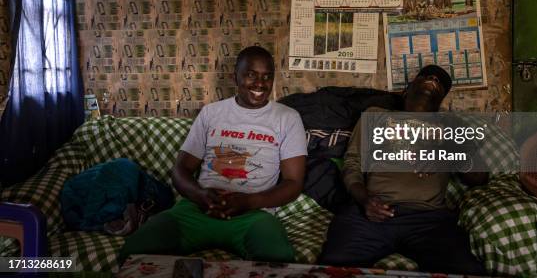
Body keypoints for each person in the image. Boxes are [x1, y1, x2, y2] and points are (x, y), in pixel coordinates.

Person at [120, 46, 307, 263]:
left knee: (277, 260)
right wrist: (200, 195)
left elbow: (293, 183)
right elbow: (181, 170)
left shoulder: (288, 118)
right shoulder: (212, 112)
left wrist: (248, 202)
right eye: (251, 75)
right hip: (198, 209)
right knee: (133, 255)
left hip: (255, 214)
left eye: (267, 77)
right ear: (234, 77)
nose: (260, 84)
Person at [318, 65, 488, 275]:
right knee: (332, 267)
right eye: (426, 76)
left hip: (428, 219)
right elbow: (352, 163)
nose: (434, 78)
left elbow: (480, 177)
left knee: (467, 271)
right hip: (372, 212)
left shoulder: (452, 125)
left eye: (440, 83)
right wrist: (364, 199)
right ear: (407, 90)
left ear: (441, 101)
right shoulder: (375, 116)